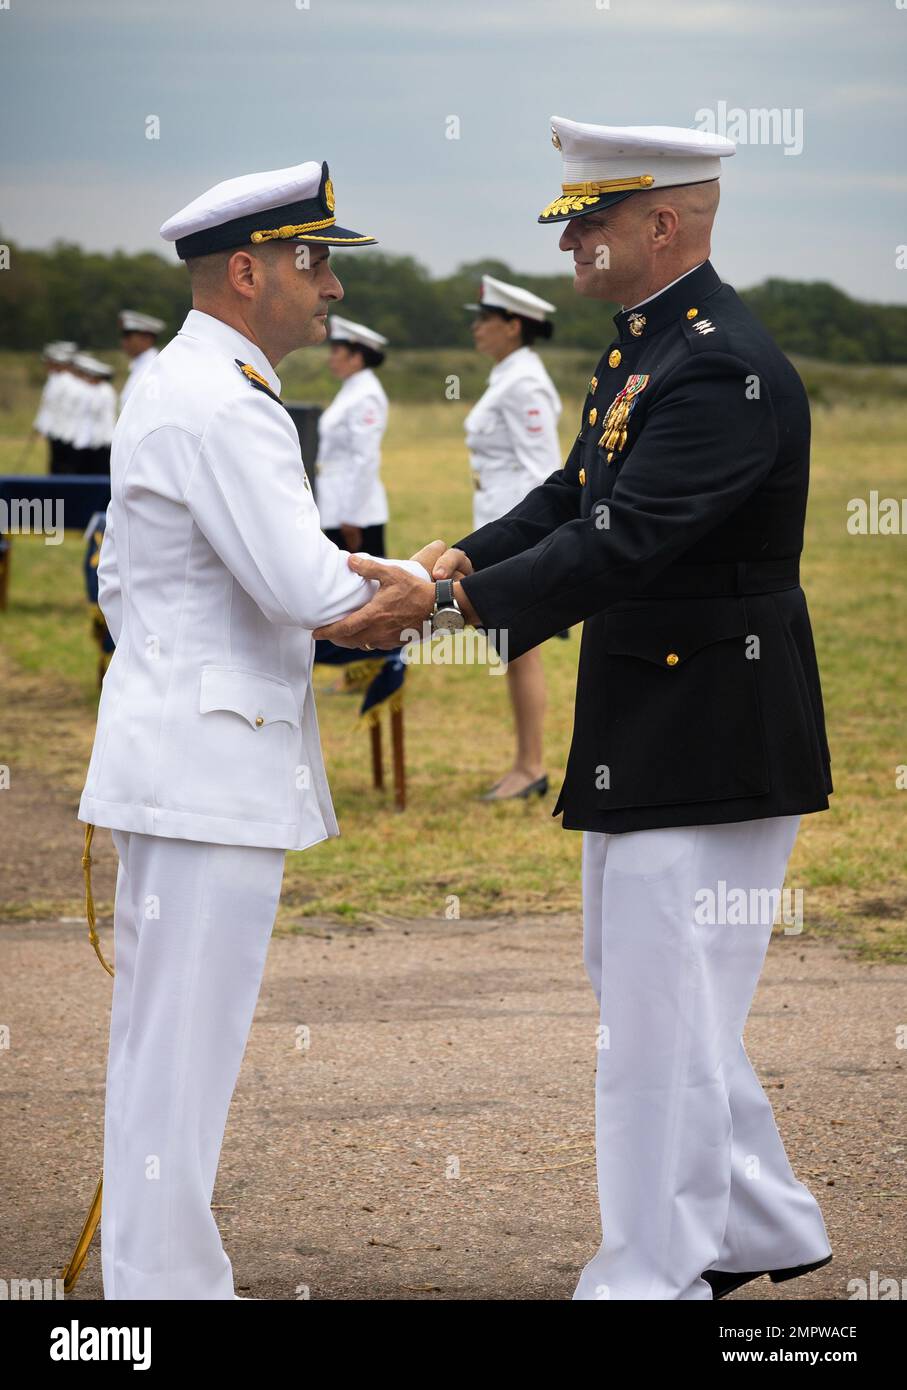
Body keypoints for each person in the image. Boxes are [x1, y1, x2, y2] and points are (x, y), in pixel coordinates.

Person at [314, 116, 835, 1301]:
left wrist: (440, 611)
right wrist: (452, 565)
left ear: (662, 222)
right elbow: (568, 496)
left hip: (712, 728)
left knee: (660, 1012)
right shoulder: (644, 347)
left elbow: (628, 539)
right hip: (657, 723)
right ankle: (759, 1222)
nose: (571, 249)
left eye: (588, 224)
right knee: (657, 992)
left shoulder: (720, 363)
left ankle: (653, 1271)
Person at [77, 156, 437, 1300]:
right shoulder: (223, 398)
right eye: (312, 261)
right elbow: (308, 589)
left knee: (165, 1050)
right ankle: (164, 1293)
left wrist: (370, 586)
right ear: (248, 271)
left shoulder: (186, 381)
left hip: (182, 754)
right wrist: (417, 593)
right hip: (206, 765)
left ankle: (158, 1279)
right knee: (181, 1054)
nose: (328, 289)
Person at [463, 274, 562, 800]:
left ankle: (531, 767)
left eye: (485, 319)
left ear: (513, 325)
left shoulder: (524, 382)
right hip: (497, 527)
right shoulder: (508, 374)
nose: (477, 329)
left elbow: (545, 472)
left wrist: (526, 546)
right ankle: (525, 764)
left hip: (515, 535)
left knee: (520, 648)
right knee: (510, 648)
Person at [316, 314, 390, 557]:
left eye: (337, 350)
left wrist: (352, 516)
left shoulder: (365, 395)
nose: (332, 357)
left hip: (356, 515)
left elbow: (365, 457)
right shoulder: (352, 389)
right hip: (338, 506)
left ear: (357, 358)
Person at [31, 341, 78, 473]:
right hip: (58, 430)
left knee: (62, 466)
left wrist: (41, 425)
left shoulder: (64, 380)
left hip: (63, 431)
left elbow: (54, 407)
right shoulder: (56, 379)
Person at [70, 353, 117, 473]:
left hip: (102, 439)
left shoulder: (105, 390)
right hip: (92, 438)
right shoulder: (95, 390)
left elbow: (94, 411)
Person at [118, 310, 166, 411]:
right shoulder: (141, 366)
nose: (123, 341)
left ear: (147, 338)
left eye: (128, 335)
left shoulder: (152, 368)